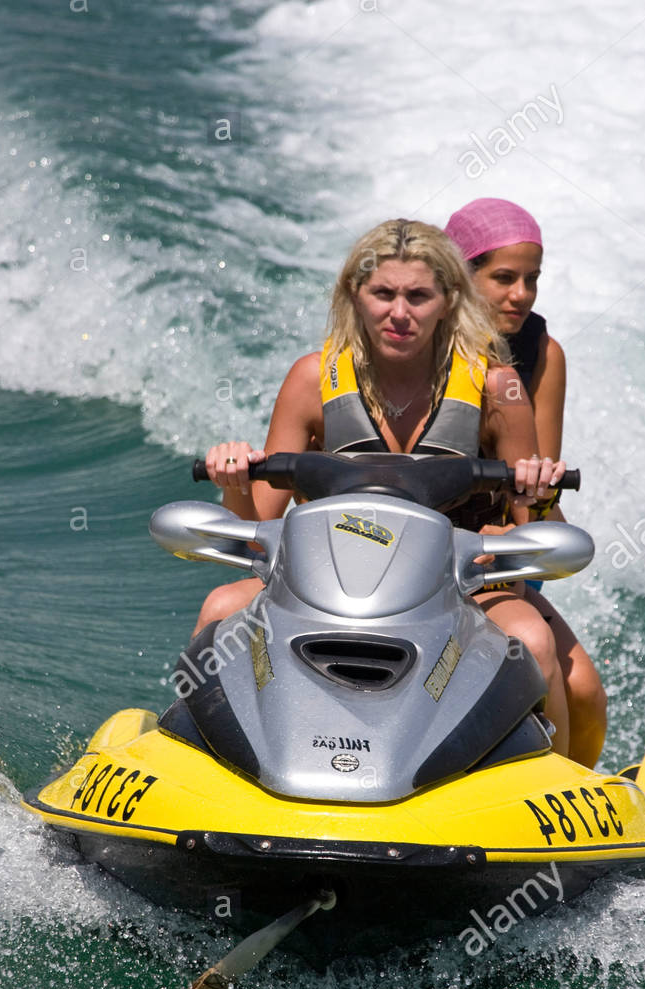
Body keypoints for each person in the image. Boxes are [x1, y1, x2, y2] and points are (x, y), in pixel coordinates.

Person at [194, 218, 578, 755]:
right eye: (383, 293)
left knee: (533, 642)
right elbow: (250, 529)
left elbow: (534, 538)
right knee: (219, 608)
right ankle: (197, 758)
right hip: (320, 590)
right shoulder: (312, 379)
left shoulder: (498, 389)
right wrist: (234, 480)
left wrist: (540, 496)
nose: (400, 313)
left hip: (460, 591)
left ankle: (556, 787)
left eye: (419, 296)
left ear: (447, 300)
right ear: (356, 294)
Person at [444, 198, 606, 767]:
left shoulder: (543, 355)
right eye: (504, 278)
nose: (521, 295)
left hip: (497, 552)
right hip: (416, 548)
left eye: (531, 280)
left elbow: (536, 490)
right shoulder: (412, 343)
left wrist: (532, 513)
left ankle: (572, 808)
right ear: (460, 277)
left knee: (583, 689)